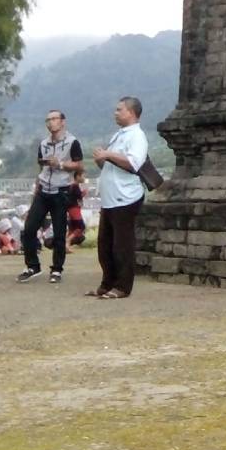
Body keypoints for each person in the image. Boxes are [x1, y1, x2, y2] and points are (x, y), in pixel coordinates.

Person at [90, 97, 148, 300]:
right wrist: (102, 159)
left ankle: (123, 286)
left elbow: (133, 163)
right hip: (110, 198)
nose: (115, 113)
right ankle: (107, 283)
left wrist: (108, 154)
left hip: (126, 197)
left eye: (119, 110)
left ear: (131, 112)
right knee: (105, 244)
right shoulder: (119, 135)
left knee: (122, 245)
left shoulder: (137, 136)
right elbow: (111, 166)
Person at [18, 109, 83, 284]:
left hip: (61, 191)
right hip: (43, 190)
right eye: (48, 119)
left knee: (59, 232)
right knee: (29, 228)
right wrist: (35, 191)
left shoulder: (72, 142)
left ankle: (57, 269)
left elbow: (78, 165)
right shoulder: (44, 144)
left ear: (62, 121)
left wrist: (60, 164)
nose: (51, 122)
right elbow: (42, 168)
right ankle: (32, 265)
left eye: (54, 119)